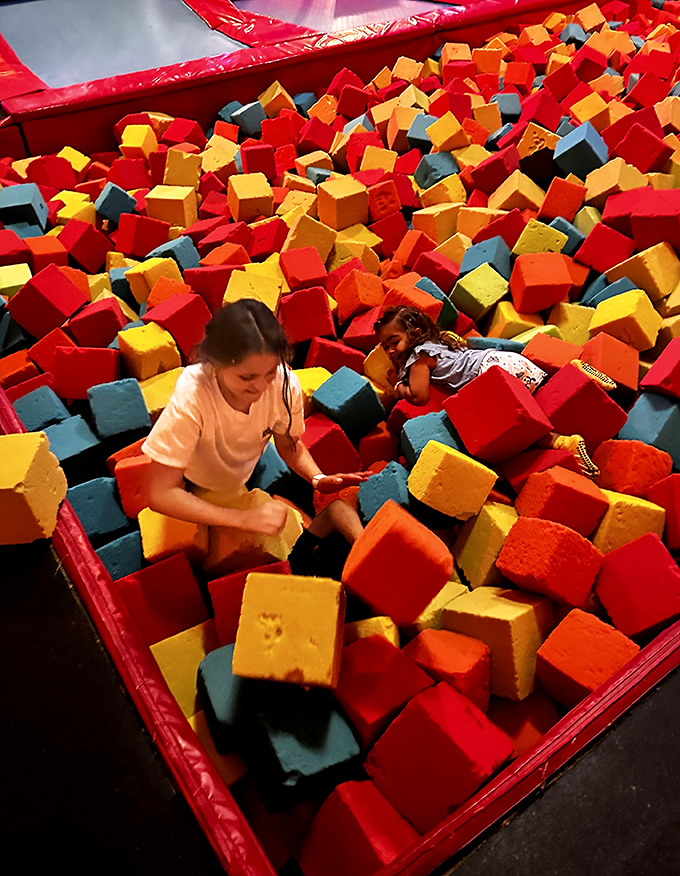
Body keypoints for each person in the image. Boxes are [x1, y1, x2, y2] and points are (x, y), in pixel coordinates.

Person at [142, 298, 367, 572]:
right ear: (216, 364)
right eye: (246, 377)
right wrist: (243, 519)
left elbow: (288, 444)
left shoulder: (284, 384)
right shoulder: (194, 392)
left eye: (269, 372)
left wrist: (317, 478)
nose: (261, 386)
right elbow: (161, 492)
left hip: (242, 470)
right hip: (198, 483)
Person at [374, 305, 615, 478]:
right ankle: (573, 374)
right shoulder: (440, 341)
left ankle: (562, 442)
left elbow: (419, 396)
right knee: (542, 396)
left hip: (490, 378)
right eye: (385, 346)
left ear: (414, 335)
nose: (390, 350)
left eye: (394, 342)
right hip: (503, 361)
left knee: (509, 427)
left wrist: (397, 385)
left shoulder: (418, 359)